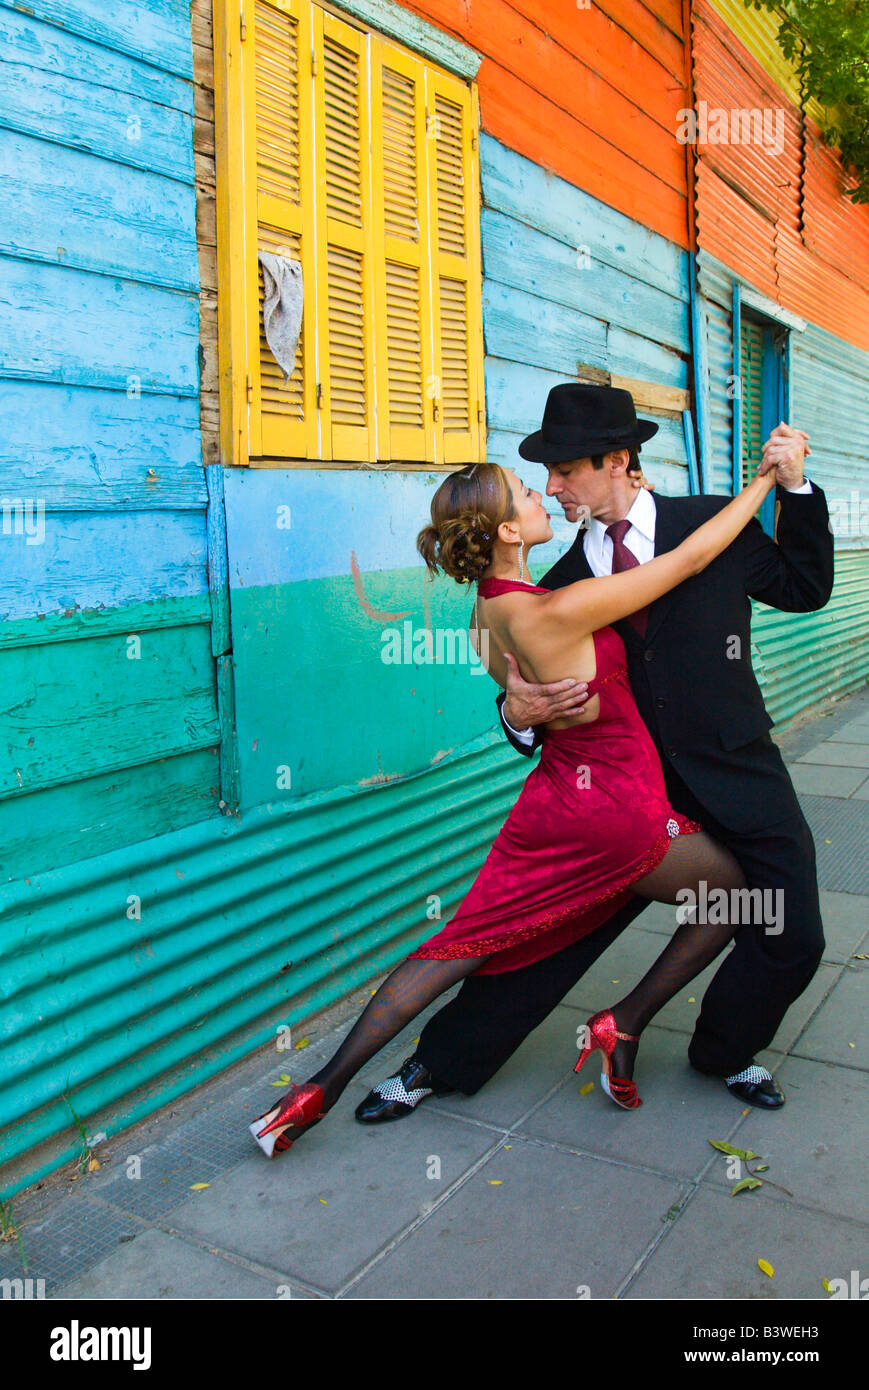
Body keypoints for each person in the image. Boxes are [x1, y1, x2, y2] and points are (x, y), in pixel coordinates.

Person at [248, 424, 783, 1157]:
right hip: (614, 811)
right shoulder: (558, 606)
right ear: (506, 528)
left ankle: (316, 1089)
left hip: (548, 809)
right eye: (529, 491)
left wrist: (515, 709)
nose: (544, 494)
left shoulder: (483, 619)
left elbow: (531, 704)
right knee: (730, 898)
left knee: (459, 943)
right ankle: (623, 1020)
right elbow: (688, 558)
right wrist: (762, 481)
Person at [357, 384, 833, 1126]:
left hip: (739, 769)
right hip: (627, 794)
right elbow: (523, 684)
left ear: (617, 461)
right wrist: (514, 716)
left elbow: (806, 589)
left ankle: (721, 1051)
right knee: (552, 931)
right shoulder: (555, 582)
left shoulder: (708, 521)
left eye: (566, 469)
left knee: (790, 931)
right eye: (542, 476)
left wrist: (793, 486)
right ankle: (439, 1062)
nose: (551, 486)